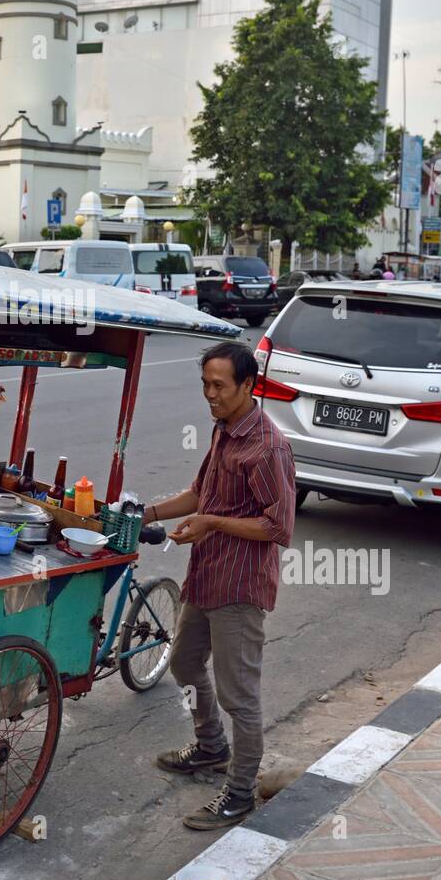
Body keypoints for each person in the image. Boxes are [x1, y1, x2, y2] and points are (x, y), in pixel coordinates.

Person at [143, 342, 296, 830]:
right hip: (206, 576)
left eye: (219, 387)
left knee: (240, 697)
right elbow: (199, 494)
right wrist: (145, 512)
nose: (210, 395)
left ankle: (240, 792)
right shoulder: (225, 431)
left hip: (240, 588)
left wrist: (212, 522)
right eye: (205, 385)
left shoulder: (268, 448)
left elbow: (278, 527)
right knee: (184, 663)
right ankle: (211, 747)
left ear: (248, 386)